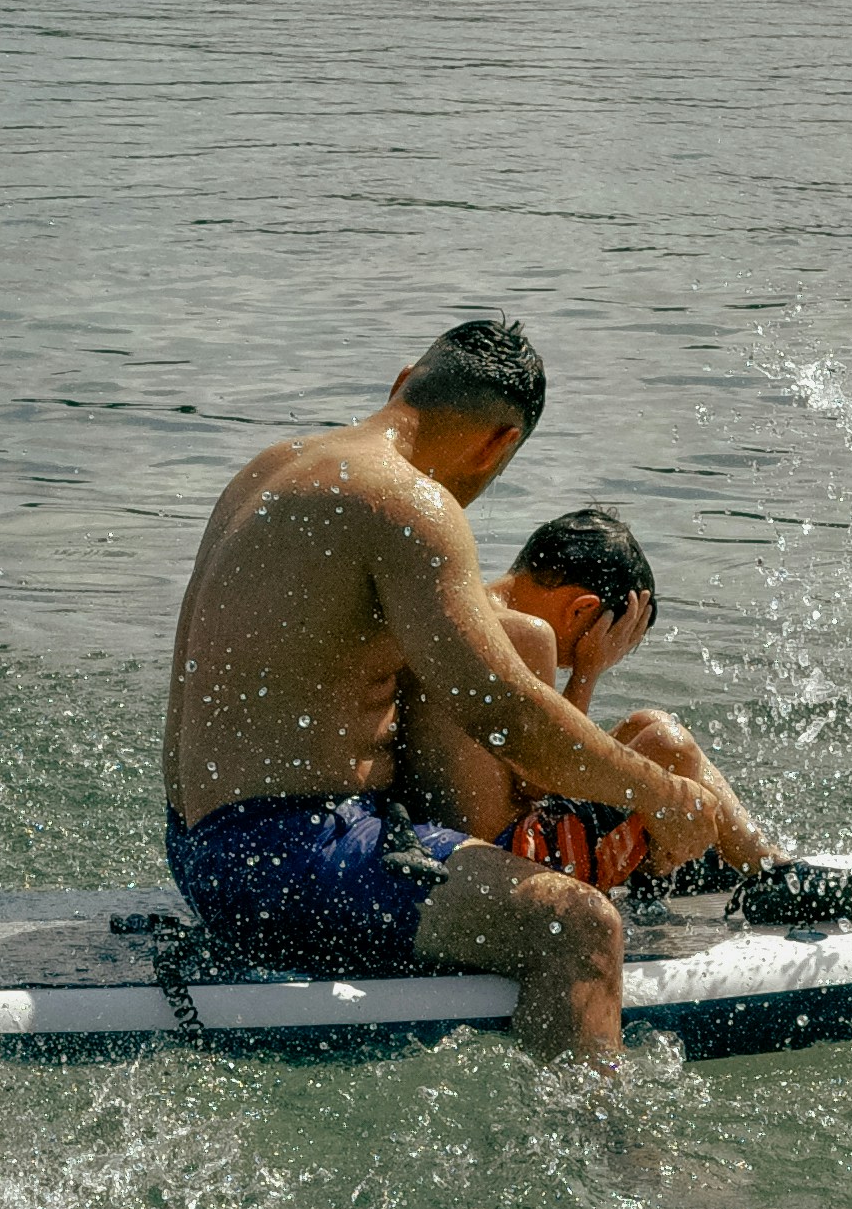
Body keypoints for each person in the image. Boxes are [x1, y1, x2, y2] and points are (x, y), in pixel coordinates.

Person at [162, 323, 764, 1059]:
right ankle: (615, 1161)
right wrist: (663, 796)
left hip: (198, 851)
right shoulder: (410, 504)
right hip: (286, 865)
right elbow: (509, 716)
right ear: (499, 443)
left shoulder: (274, 465)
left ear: (404, 380)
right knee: (576, 925)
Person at [393, 505, 774, 887]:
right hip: (510, 850)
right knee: (668, 744)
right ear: (582, 609)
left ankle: (734, 859)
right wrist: (587, 672)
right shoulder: (529, 634)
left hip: (441, 834)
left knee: (647, 724)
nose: (568, 663)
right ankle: (758, 871)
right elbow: (541, 777)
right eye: (581, 648)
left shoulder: (458, 611)